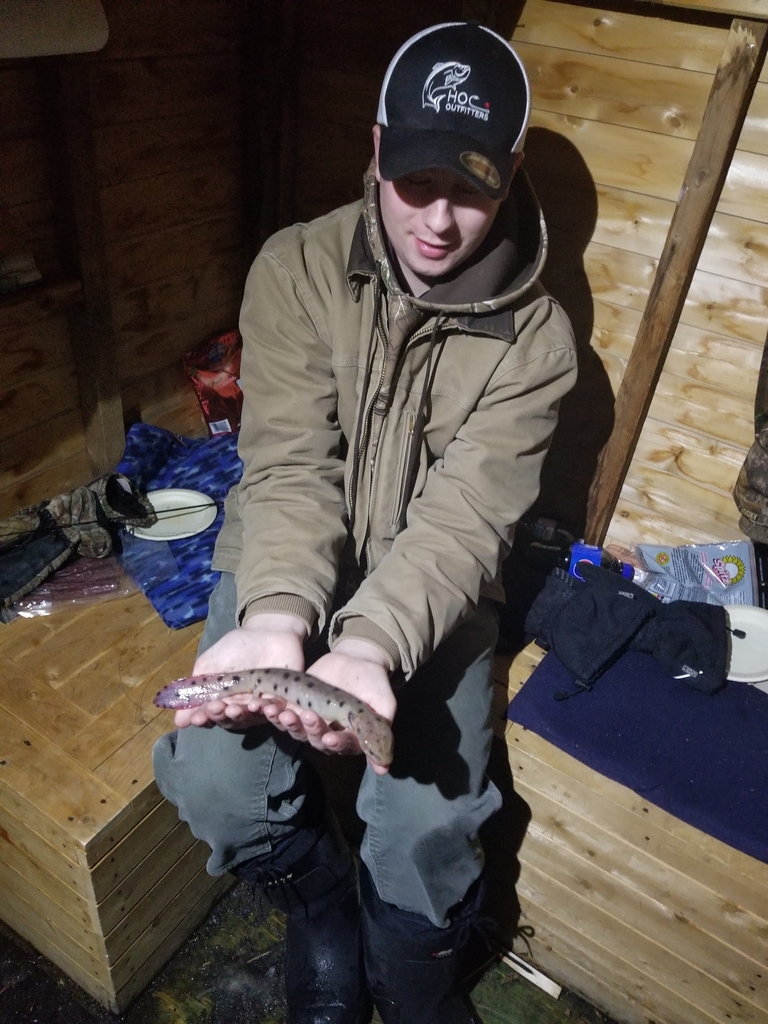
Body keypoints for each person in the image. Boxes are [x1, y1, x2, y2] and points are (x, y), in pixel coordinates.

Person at [153, 21, 577, 1024]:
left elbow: (467, 518)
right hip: (284, 558)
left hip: (434, 590)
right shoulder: (292, 268)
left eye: (471, 186)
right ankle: (324, 917)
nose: (437, 220)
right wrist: (281, 613)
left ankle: (414, 977)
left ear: (511, 172)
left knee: (431, 821)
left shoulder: (541, 344)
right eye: (415, 179)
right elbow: (291, 464)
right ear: (376, 146)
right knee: (211, 775)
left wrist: (374, 643)